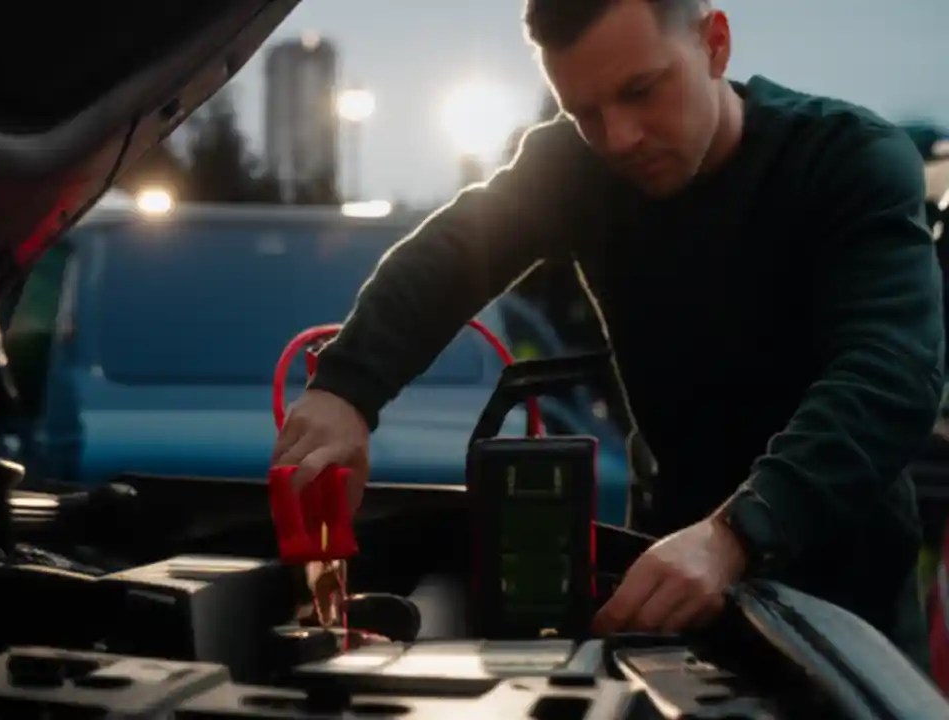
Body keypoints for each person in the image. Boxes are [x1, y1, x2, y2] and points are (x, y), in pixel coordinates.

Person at [271, 0, 945, 667]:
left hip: (845, 623)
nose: (619, 137)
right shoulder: (576, 169)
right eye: (584, 112)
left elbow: (890, 372)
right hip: (668, 590)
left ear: (714, 44)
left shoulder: (848, 160)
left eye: (642, 91)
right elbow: (452, 252)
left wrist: (736, 535)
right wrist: (346, 390)